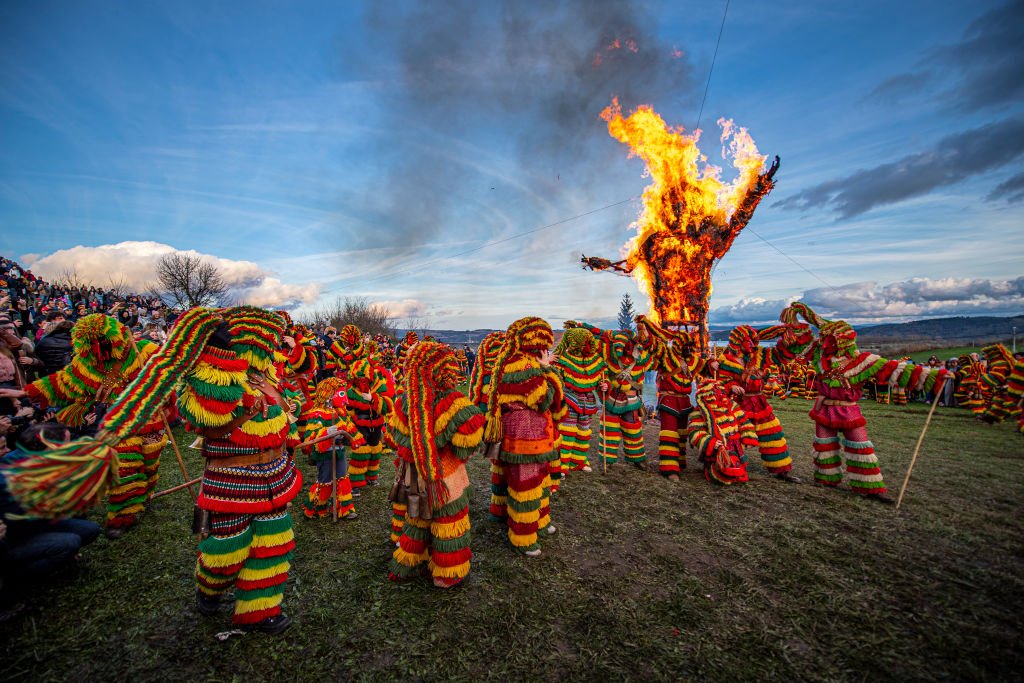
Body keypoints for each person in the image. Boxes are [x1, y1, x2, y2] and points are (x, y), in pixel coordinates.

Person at [779, 303, 949, 502]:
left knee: (860, 446)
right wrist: (795, 316)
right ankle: (826, 478)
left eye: (829, 339)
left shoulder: (864, 361)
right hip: (824, 410)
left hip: (849, 411)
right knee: (824, 445)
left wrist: (938, 376)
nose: (824, 343)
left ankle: (869, 487)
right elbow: (799, 342)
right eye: (824, 339)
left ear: (841, 341)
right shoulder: (819, 357)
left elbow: (897, 369)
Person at [19, 314, 168, 534]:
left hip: (150, 419)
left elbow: (168, 375)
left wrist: (161, 389)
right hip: (118, 421)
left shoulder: (144, 350)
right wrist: (23, 392)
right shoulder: (88, 361)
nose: (101, 348)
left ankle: (143, 493)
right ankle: (123, 513)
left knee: (148, 463)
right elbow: (64, 381)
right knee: (124, 464)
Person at [386, 342, 484, 587]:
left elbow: (393, 438)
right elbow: (467, 443)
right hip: (446, 476)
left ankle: (407, 563)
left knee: (417, 519)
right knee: (450, 521)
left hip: (413, 475)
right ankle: (446, 574)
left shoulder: (403, 402)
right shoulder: (455, 403)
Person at [482, 317, 564, 557]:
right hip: (526, 432)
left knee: (532, 477)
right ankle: (523, 535)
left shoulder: (518, 360)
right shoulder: (522, 365)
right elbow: (544, 399)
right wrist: (547, 368)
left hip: (526, 430)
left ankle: (534, 519)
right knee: (527, 480)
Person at [716, 323, 812, 483]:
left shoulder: (759, 355)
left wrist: (791, 336)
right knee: (734, 436)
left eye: (753, 341)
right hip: (739, 403)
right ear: (737, 342)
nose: (752, 345)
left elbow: (781, 355)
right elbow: (720, 381)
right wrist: (731, 386)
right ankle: (730, 464)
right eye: (748, 341)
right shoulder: (725, 360)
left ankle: (782, 469)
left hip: (759, 402)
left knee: (772, 433)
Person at [552, 326, 604, 480]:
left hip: (587, 402)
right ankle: (562, 464)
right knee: (567, 432)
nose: (587, 345)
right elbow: (555, 380)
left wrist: (604, 385)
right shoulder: (563, 360)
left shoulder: (595, 360)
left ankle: (579, 461)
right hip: (569, 399)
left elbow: (603, 377)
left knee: (583, 432)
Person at [686, 379, 759, 484]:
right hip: (719, 448)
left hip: (735, 444)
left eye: (721, 392)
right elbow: (695, 431)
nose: (719, 396)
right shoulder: (700, 411)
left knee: (738, 472)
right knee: (722, 474)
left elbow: (744, 421)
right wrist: (711, 442)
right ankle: (714, 468)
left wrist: (749, 438)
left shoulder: (731, 405)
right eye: (714, 394)